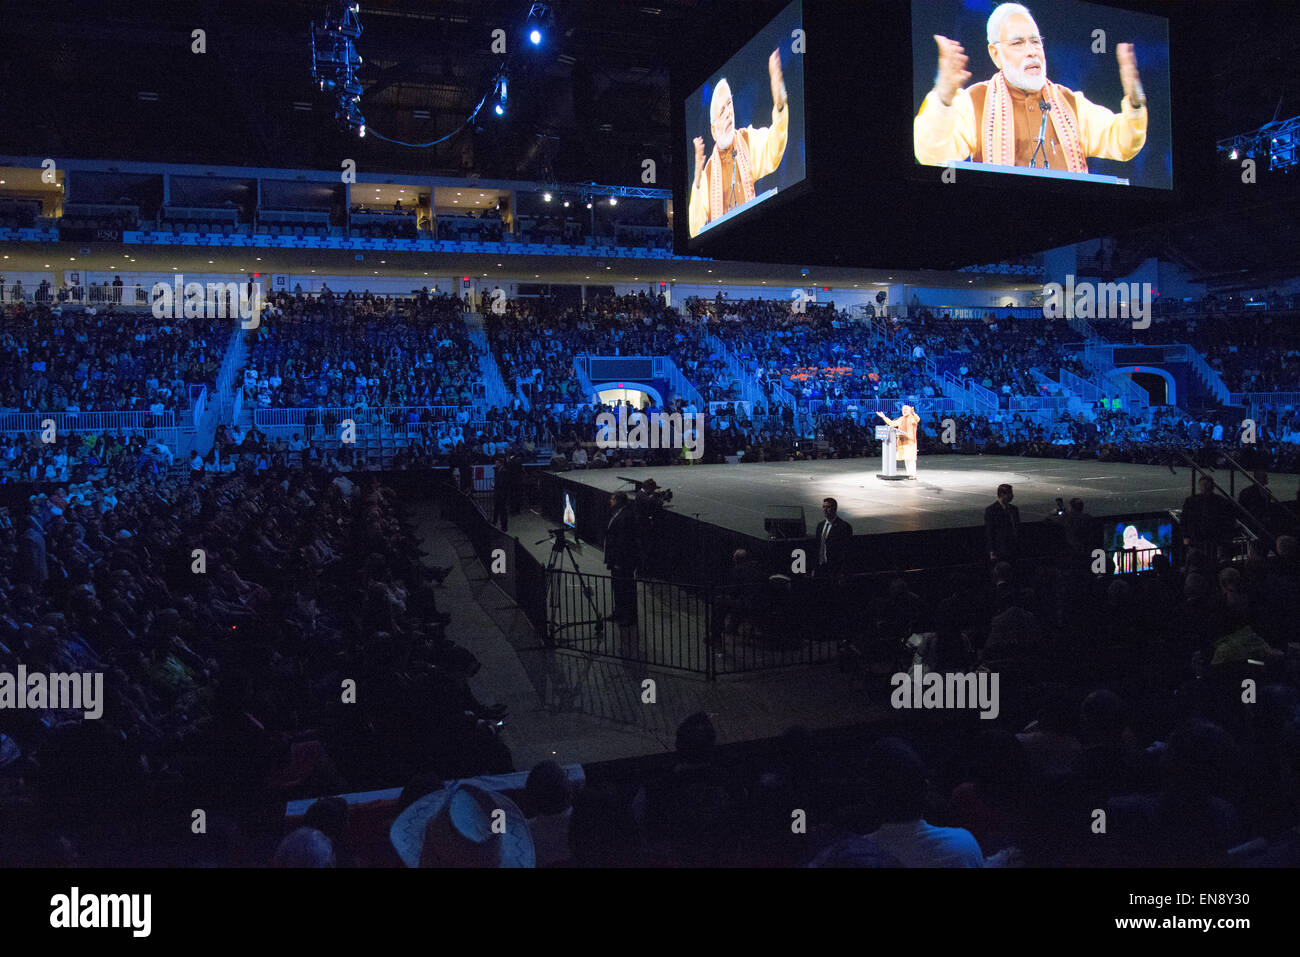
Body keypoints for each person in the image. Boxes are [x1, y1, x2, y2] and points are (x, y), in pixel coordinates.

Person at [914, 2, 1148, 172]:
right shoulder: (974, 101)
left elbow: (1123, 142)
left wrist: (1135, 104)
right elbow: (932, 157)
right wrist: (943, 97)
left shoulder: (1070, 103)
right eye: (1018, 43)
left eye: (1036, 41)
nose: (1032, 51)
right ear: (995, 54)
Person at [688, 48, 790, 238]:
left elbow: (774, 148)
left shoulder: (747, 140)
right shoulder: (708, 174)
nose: (728, 113)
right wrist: (697, 180)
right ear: (713, 130)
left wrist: (780, 104)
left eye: (730, 105)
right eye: (722, 111)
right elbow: (695, 230)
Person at [603, 492, 640, 626]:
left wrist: (619, 561)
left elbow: (625, 542)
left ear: (619, 501)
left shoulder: (626, 517)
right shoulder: (618, 514)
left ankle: (629, 617)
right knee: (618, 587)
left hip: (623, 561)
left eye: (612, 499)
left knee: (626, 588)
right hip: (615, 560)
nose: (610, 501)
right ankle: (619, 611)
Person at [877, 405, 921, 478]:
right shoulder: (901, 419)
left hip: (910, 442)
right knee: (906, 459)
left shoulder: (912, 418)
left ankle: (913, 474)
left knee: (911, 459)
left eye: (906, 409)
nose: (904, 411)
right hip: (902, 441)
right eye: (903, 410)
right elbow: (892, 424)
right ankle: (909, 474)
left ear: (910, 410)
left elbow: (917, 419)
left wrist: (913, 413)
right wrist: (883, 417)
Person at [813, 497, 852, 580]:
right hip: (820, 568)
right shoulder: (820, 526)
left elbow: (846, 551)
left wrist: (843, 572)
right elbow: (818, 548)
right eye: (823, 507)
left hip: (835, 570)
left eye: (828, 507)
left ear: (835, 509)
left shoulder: (844, 527)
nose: (825, 510)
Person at [985, 483, 1020, 563]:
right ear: (1002, 494)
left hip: (1014, 547)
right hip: (1000, 548)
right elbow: (990, 531)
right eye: (1010, 493)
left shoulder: (1014, 509)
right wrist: (991, 550)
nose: (1012, 496)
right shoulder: (991, 510)